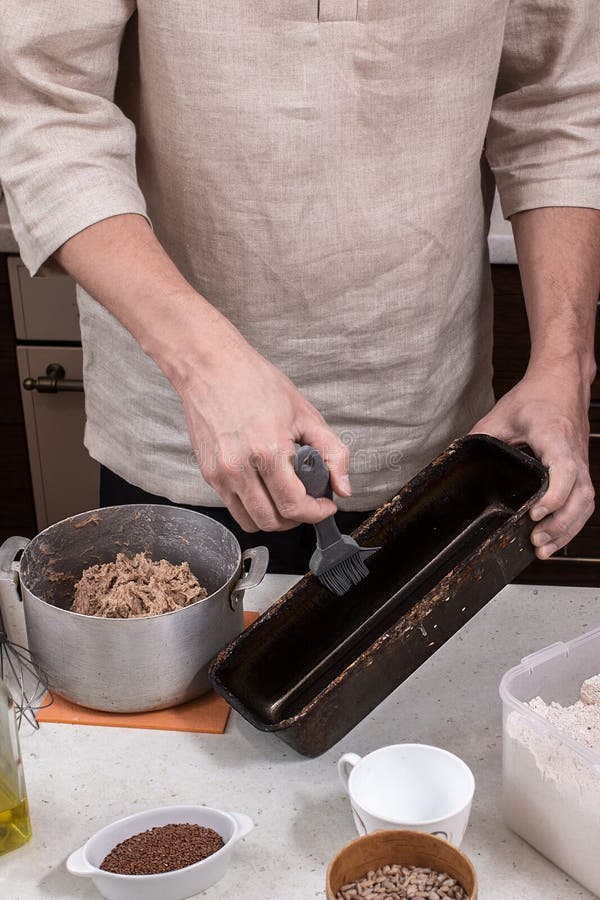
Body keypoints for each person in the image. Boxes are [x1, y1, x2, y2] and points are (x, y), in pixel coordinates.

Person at [1, 2, 598, 574]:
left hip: (439, 428)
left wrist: (564, 365)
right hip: (181, 427)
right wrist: (206, 365)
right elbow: (44, 112)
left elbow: (556, 101)